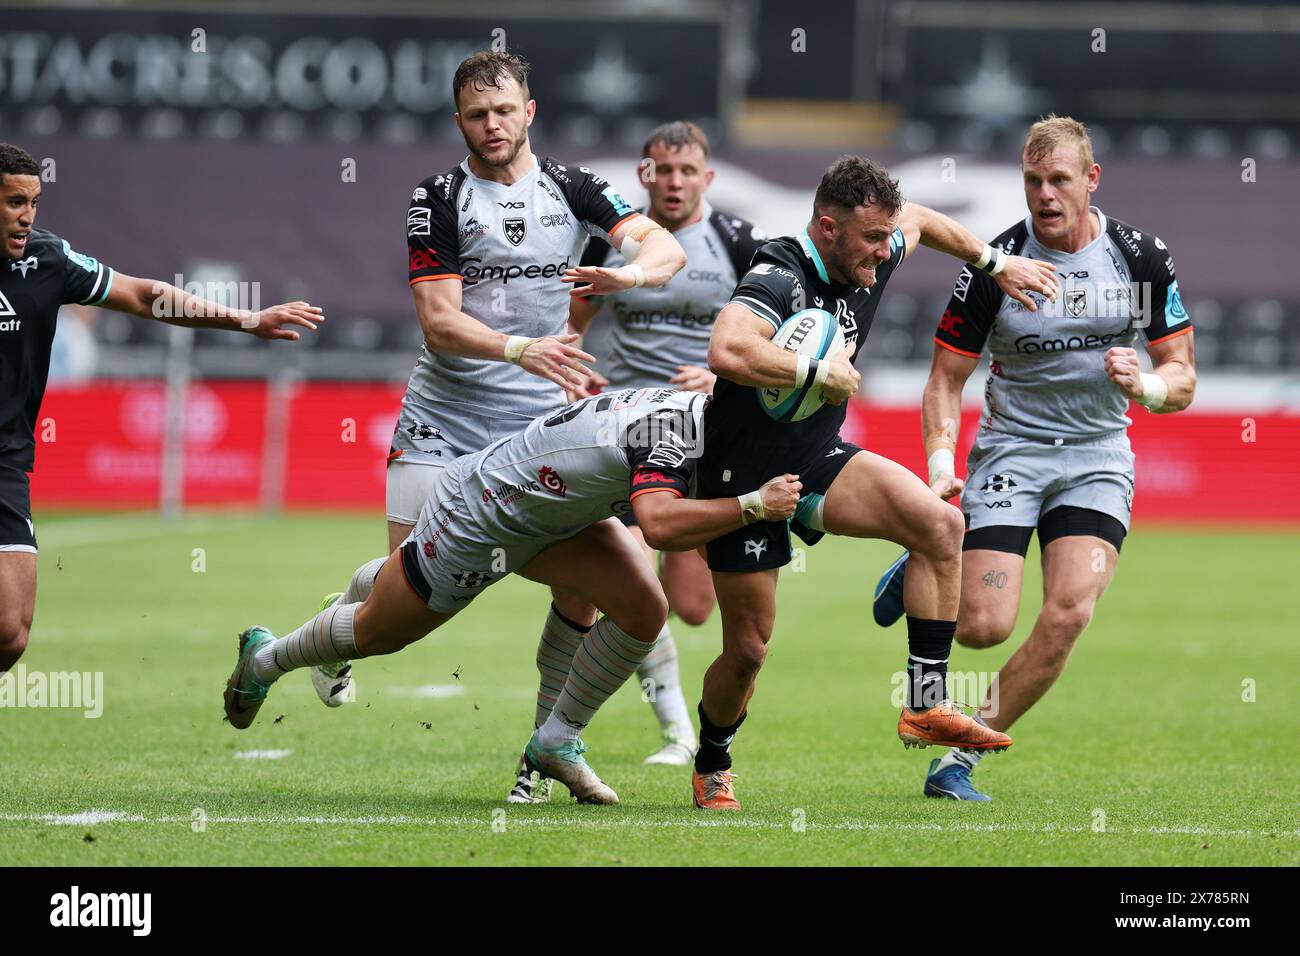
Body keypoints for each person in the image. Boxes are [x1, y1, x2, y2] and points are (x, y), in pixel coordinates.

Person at [311, 51, 686, 808]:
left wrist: (631, 273)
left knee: (595, 598)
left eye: (504, 110)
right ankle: (341, 617)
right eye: (478, 115)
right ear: (461, 122)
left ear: (529, 111)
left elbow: (663, 244)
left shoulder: (573, 187)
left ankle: (541, 756)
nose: (493, 125)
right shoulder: (437, 198)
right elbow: (439, 323)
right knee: (404, 604)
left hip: (537, 431)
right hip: (444, 427)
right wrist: (524, 348)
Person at [690, 154, 1062, 810]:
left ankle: (924, 706)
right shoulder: (779, 273)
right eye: (870, 239)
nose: (885, 250)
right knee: (748, 650)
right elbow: (727, 350)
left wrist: (996, 266)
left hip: (815, 456)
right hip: (740, 474)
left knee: (939, 525)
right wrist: (814, 372)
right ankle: (714, 754)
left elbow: (918, 219)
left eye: (885, 238)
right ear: (828, 228)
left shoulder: (877, 246)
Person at [222, 387, 800, 805]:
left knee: (644, 608)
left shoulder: (703, 415)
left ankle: (555, 743)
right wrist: (754, 507)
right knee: (381, 631)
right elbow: (660, 524)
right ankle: (268, 656)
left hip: (558, 514)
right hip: (484, 510)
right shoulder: (673, 436)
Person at [872, 115, 1196, 801]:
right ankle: (926, 563)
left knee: (1071, 610)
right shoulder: (996, 265)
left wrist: (1147, 385)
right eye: (1032, 180)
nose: (1045, 194)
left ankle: (958, 760)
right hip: (1012, 454)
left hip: (1098, 457)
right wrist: (938, 462)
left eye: (1059, 179)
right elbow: (944, 380)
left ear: (1091, 179)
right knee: (986, 627)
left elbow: (1182, 377)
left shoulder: (1138, 258)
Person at [0, 142, 322, 676]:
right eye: (13, 202)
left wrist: (246, 320)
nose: (26, 216)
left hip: (7, 461)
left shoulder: (48, 258)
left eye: (33, 202)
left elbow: (145, 296)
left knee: (11, 633)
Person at [564, 120, 765, 765]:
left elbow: (773, 334)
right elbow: (571, 320)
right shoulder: (611, 240)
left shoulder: (736, 242)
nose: (673, 183)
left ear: (707, 177)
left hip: (704, 431)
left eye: (686, 172)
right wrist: (572, 363)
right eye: (661, 171)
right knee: (626, 584)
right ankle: (677, 732)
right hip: (623, 428)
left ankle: (670, 722)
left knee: (694, 606)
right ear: (644, 177)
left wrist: (720, 371)